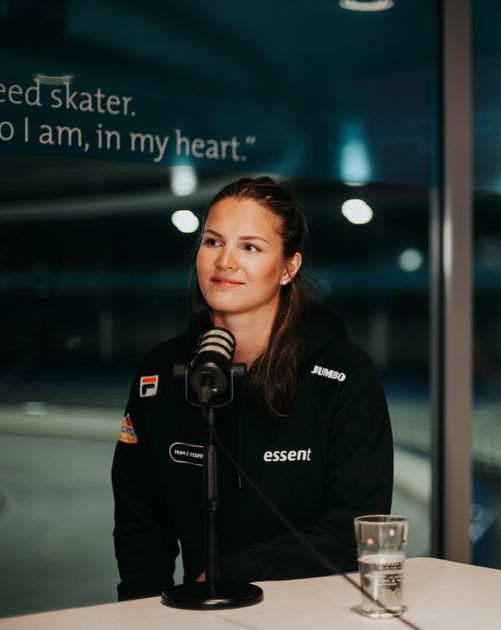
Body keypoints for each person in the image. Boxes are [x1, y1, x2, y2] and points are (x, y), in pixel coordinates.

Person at [112, 176, 393, 600]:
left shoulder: (346, 373)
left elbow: (356, 526)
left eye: (250, 247)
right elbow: (141, 521)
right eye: (212, 242)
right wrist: (142, 614)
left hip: (316, 615)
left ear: (288, 267)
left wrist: (234, 573)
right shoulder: (160, 371)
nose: (225, 261)